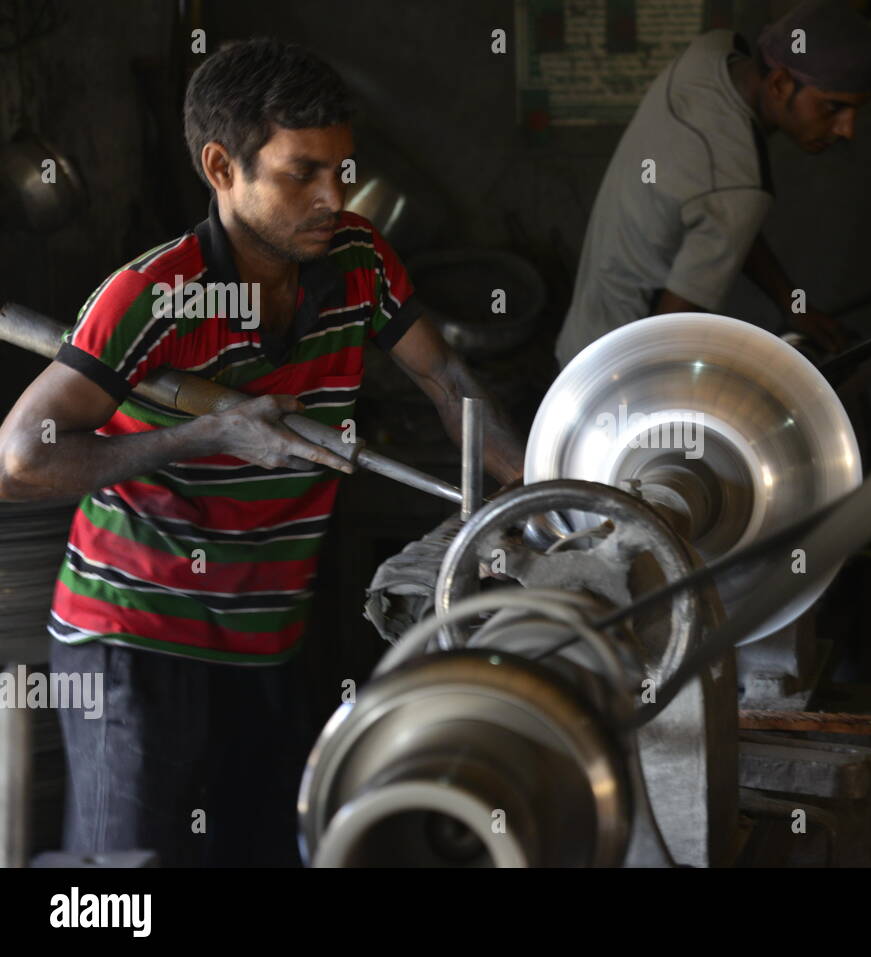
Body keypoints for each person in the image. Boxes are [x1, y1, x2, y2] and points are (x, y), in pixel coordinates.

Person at [0, 39, 524, 866]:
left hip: (268, 635)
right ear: (221, 167)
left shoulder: (359, 259)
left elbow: (444, 374)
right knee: (128, 880)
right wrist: (209, 433)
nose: (332, 196)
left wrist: (533, 489)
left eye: (343, 170)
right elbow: (23, 458)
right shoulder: (154, 295)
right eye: (301, 172)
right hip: (136, 638)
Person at [554, 0, 871, 367]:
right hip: (614, 372)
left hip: (582, 331)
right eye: (833, 108)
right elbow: (668, 342)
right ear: (780, 83)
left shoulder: (710, 53)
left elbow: (719, 212)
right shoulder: (737, 188)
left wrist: (791, 303)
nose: (847, 129)